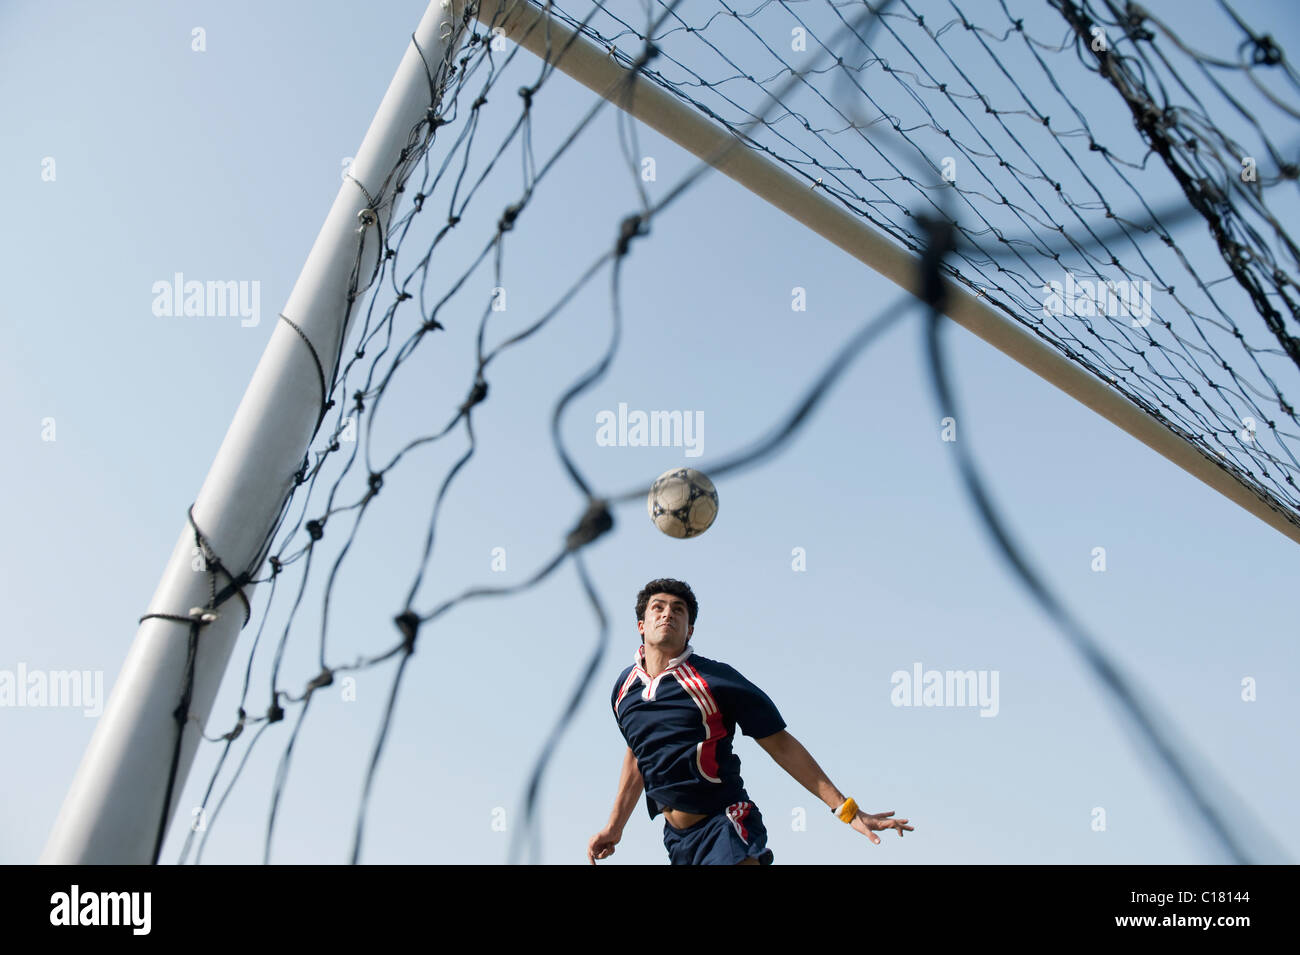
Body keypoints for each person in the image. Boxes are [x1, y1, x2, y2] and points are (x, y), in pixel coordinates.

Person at [587, 577, 913, 865]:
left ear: (690, 630)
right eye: (657, 607)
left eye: (678, 609)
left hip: (725, 823)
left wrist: (846, 809)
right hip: (676, 841)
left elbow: (781, 744)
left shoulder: (715, 679)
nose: (667, 613)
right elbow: (637, 755)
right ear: (641, 624)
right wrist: (614, 827)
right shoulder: (624, 690)